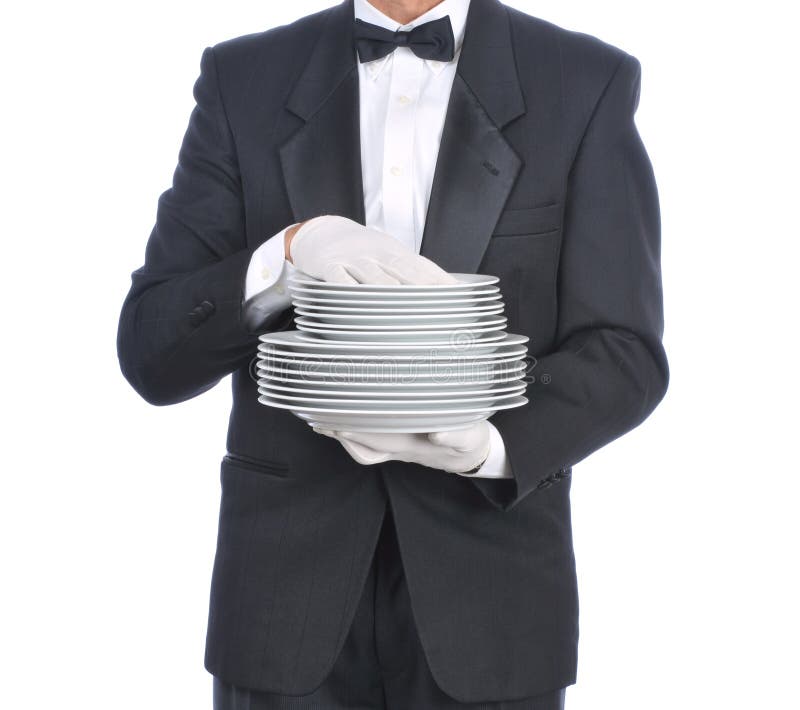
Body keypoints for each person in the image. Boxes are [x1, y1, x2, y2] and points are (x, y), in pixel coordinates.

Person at [116, 0, 669, 707]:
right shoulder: (241, 78)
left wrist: (493, 444)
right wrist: (284, 256)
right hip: (283, 611)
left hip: (494, 608)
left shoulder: (587, 80)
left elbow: (626, 352)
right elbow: (151, 352)